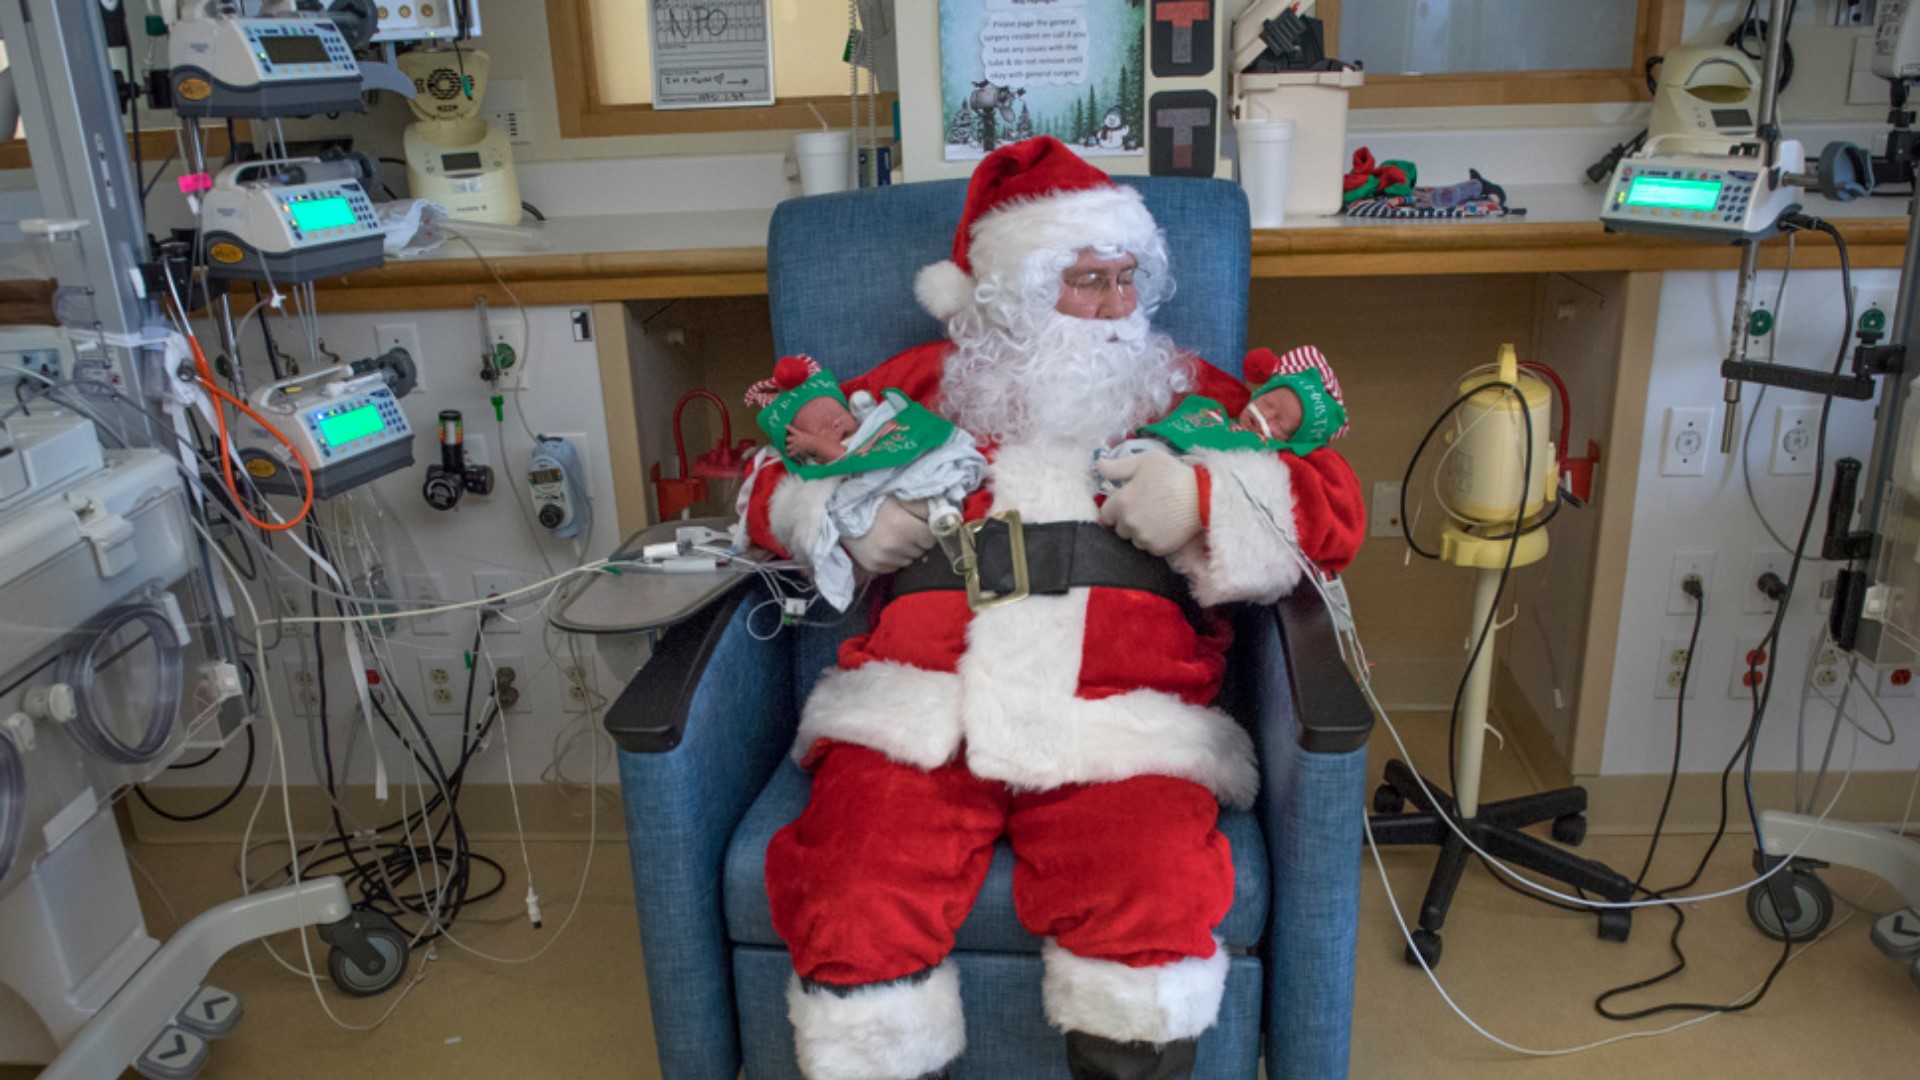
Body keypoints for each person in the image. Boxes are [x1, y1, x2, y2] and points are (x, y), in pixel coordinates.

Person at [737, 136, 1365, 1080]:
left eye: (1128, 278)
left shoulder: (1192, 394)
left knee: (1152, 894)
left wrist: (1204, 502)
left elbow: (1333, 509)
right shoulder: (916, 389)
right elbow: (769, 478)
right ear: (1012, 292)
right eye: (1086, 281)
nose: (1118, 307)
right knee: (851, 887)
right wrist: (840, 522)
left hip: (1122, 721)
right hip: (921, 711)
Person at [740, 354, 986, 611]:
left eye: (838, 417)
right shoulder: (926, 366)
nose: (836, 423)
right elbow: (770, 481)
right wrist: (840, 534)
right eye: (826, 426)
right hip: (918, 588)